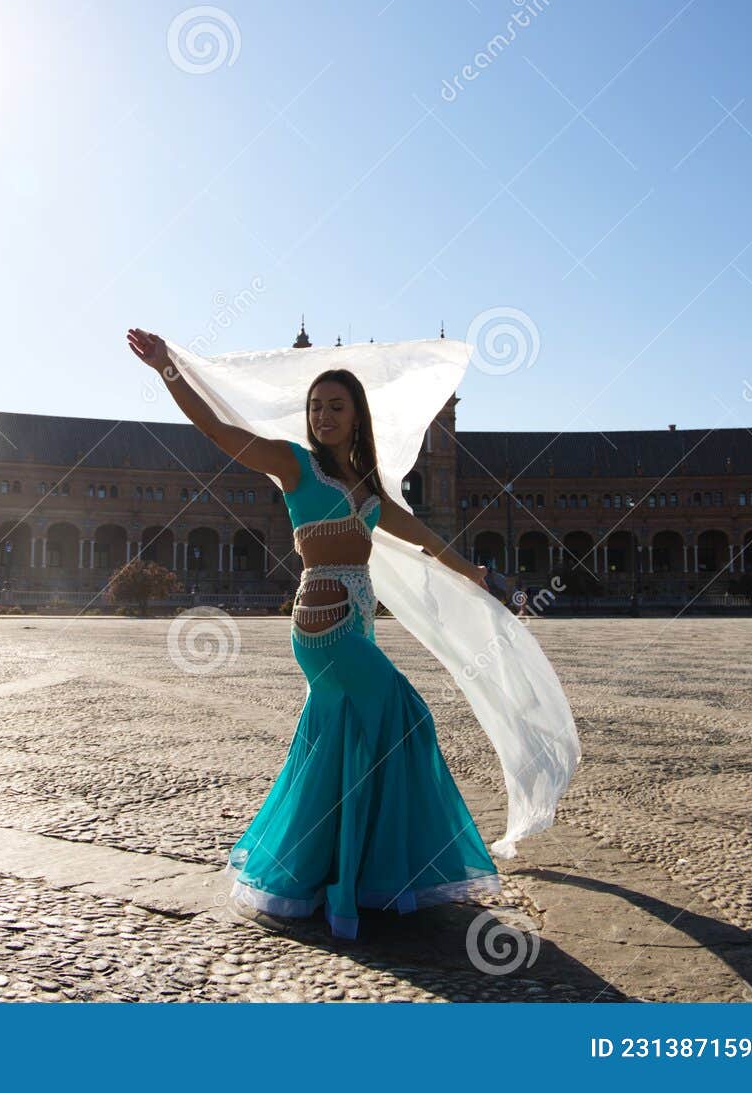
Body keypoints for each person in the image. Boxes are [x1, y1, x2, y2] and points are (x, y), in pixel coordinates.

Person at [128, 327, 504, 940]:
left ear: (357, 417)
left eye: (336, 406)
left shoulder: (368, 485)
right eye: (316, 407)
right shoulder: (291, 463)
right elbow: (220, 435)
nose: (323, 416)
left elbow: (418, 534)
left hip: (357, 622)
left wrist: (474, 573)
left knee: (346, 740)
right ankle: (368, 867)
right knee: (404, 714)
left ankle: (341, 873)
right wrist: (169, 369)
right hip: (323, 628)